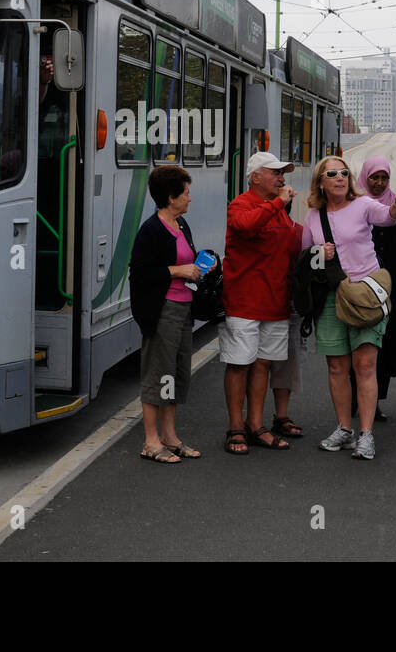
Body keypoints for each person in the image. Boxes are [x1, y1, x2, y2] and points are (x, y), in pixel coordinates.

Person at [303, 156, 396, 461]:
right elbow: (305, 258)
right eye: (333, 173)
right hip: (332, 297)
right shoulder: (314, 216)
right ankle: (344, 428)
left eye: (345, 173)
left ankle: (366, 435)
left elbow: (388, 217)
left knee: (365, 366)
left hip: (366, 295)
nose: (340, 177)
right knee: (337, 367)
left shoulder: (364, 205)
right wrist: (319, 253)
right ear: (321, 182)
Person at [221, 152, 305, 454]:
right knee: (239, 365)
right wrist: (278, 203)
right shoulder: (241, 204)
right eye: (276, 173)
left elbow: (294, 245)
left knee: (262, 365)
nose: (282, 178)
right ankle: (235, 426)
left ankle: (255, 425)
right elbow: (246, 226)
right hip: (244, 302)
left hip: (276, 302)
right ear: (256, 176)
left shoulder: (279, 210)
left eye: (283, 173)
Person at [129, 165, 214, 464]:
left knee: (177, 374)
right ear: (170, 197)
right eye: (186, 194)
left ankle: (169, 436)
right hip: (161, 310)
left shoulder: (181, 225)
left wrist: (201, 268)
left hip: (183, 308)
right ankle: (151, 441)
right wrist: (178, 270)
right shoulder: (151, 230)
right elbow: (140, 274)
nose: (190, 199)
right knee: (157, 373)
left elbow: (185, 261)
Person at [353, 156, 396, 423]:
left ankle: (374, 401)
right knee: (359, 345)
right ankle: (355, 398)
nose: (379, 183)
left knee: (388, 343)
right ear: (365, 179)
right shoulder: (353, 205)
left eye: (383, 178)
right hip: (359, 286)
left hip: (391, 287)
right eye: (374, 178)